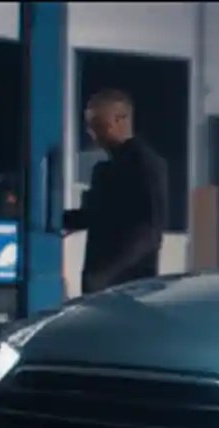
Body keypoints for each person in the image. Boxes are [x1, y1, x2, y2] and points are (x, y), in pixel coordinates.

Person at [63, 88, 168, 295]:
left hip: (130, 286)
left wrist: (105, 274)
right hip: (104, 284)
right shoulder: (106, 170)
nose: (93, 133)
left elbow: (149, 231)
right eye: (90, 126)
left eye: (99, 124)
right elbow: (92, 217)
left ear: (121, 120)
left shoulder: (145, 165)